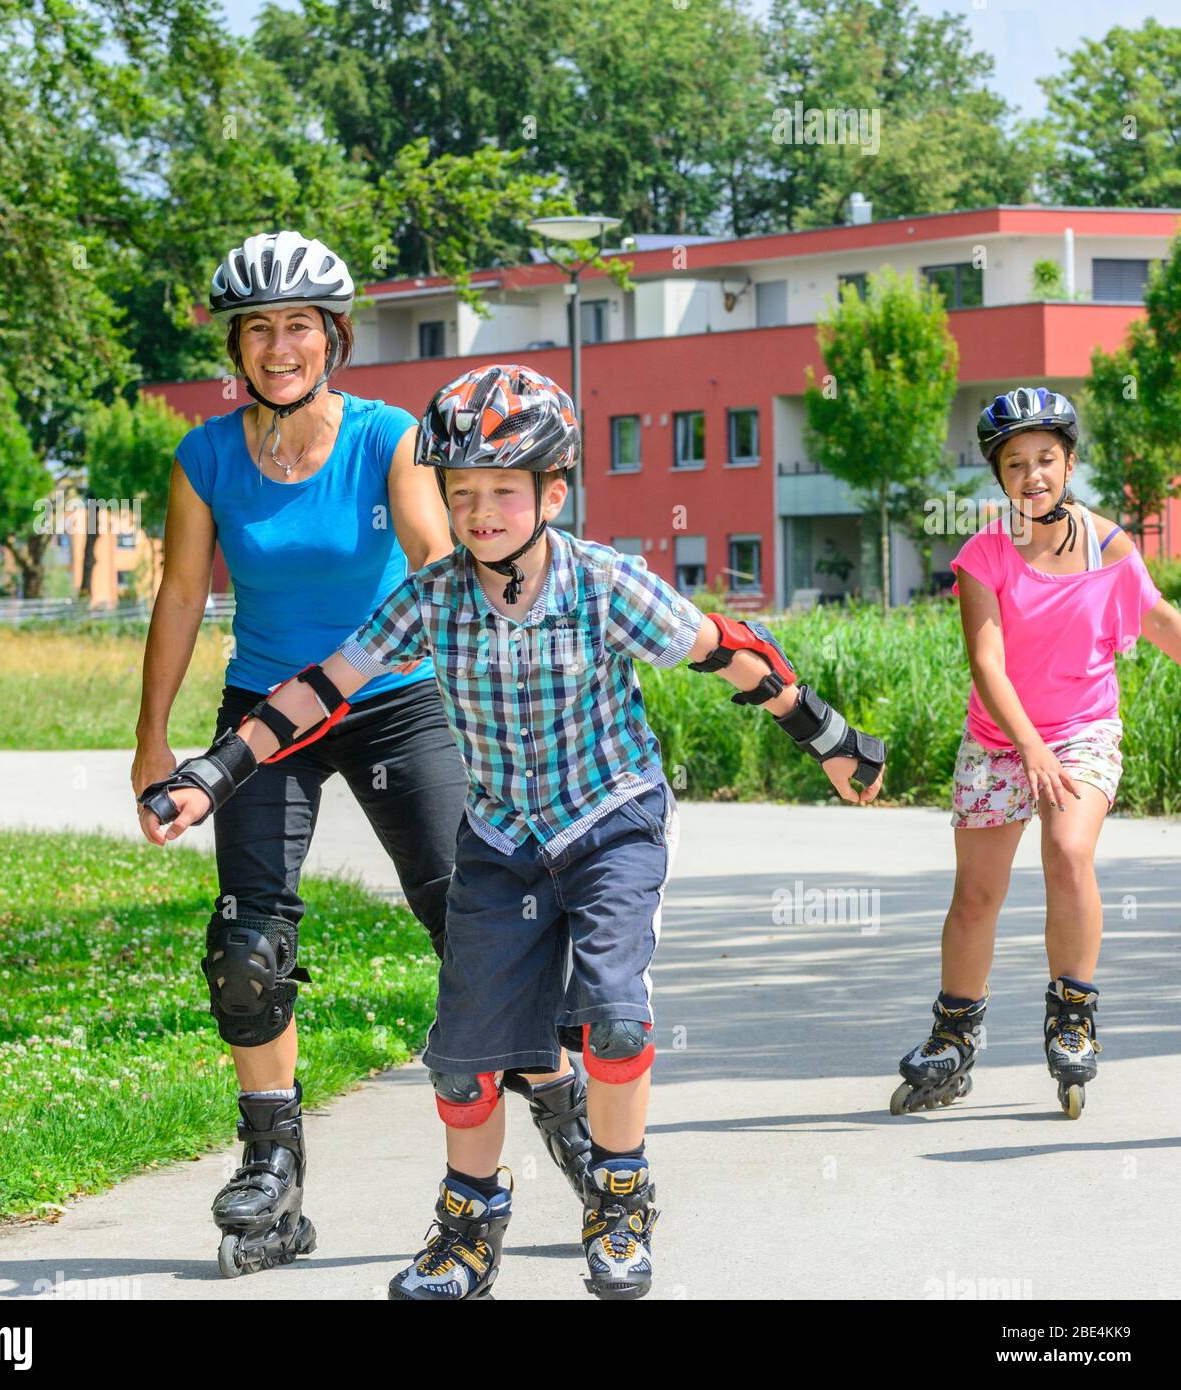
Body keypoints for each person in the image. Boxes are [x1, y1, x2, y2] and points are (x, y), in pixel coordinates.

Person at [139, 363, 886, 1299]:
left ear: (553, 491)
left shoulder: (603, 585)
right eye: (460, 494)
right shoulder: (433, 597)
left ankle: (619, 1204)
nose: (480, 511)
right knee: (461, 1063)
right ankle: (466, 1231)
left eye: (502, 490)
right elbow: (321, 687)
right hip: (500, 841)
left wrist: (831, 738)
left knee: (611, 1017)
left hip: (613, 821)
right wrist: (213, 773)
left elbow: (728, 651)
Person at [131, 230, 475, 1278]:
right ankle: (272, 1169)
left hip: (390, 698)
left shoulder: (386, 438)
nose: (278, 346)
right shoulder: (207, 454)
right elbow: (184, 593)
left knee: (470, 920)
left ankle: (570, 1132)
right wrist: (154, 734)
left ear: (330, 336)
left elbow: (432, 559)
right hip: (261, 714)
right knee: (245, 944)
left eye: (296, 326)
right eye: (257, 329)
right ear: (236, 347)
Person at [891, 387, 1181, 1120]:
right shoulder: (983, 555)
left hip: (1083, 731)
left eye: (1047, 458)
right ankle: (954, 1035)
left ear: (1070, 461)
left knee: (1067, 850)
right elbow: (987, 664)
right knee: (977, 897)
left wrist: (1051, 754)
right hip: (999, 739)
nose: (1033, 475)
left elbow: (1165, 627)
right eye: (1016, 463)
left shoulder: (1110, 549)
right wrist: (1027, 749)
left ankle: (1073, 1014)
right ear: (999, 475)